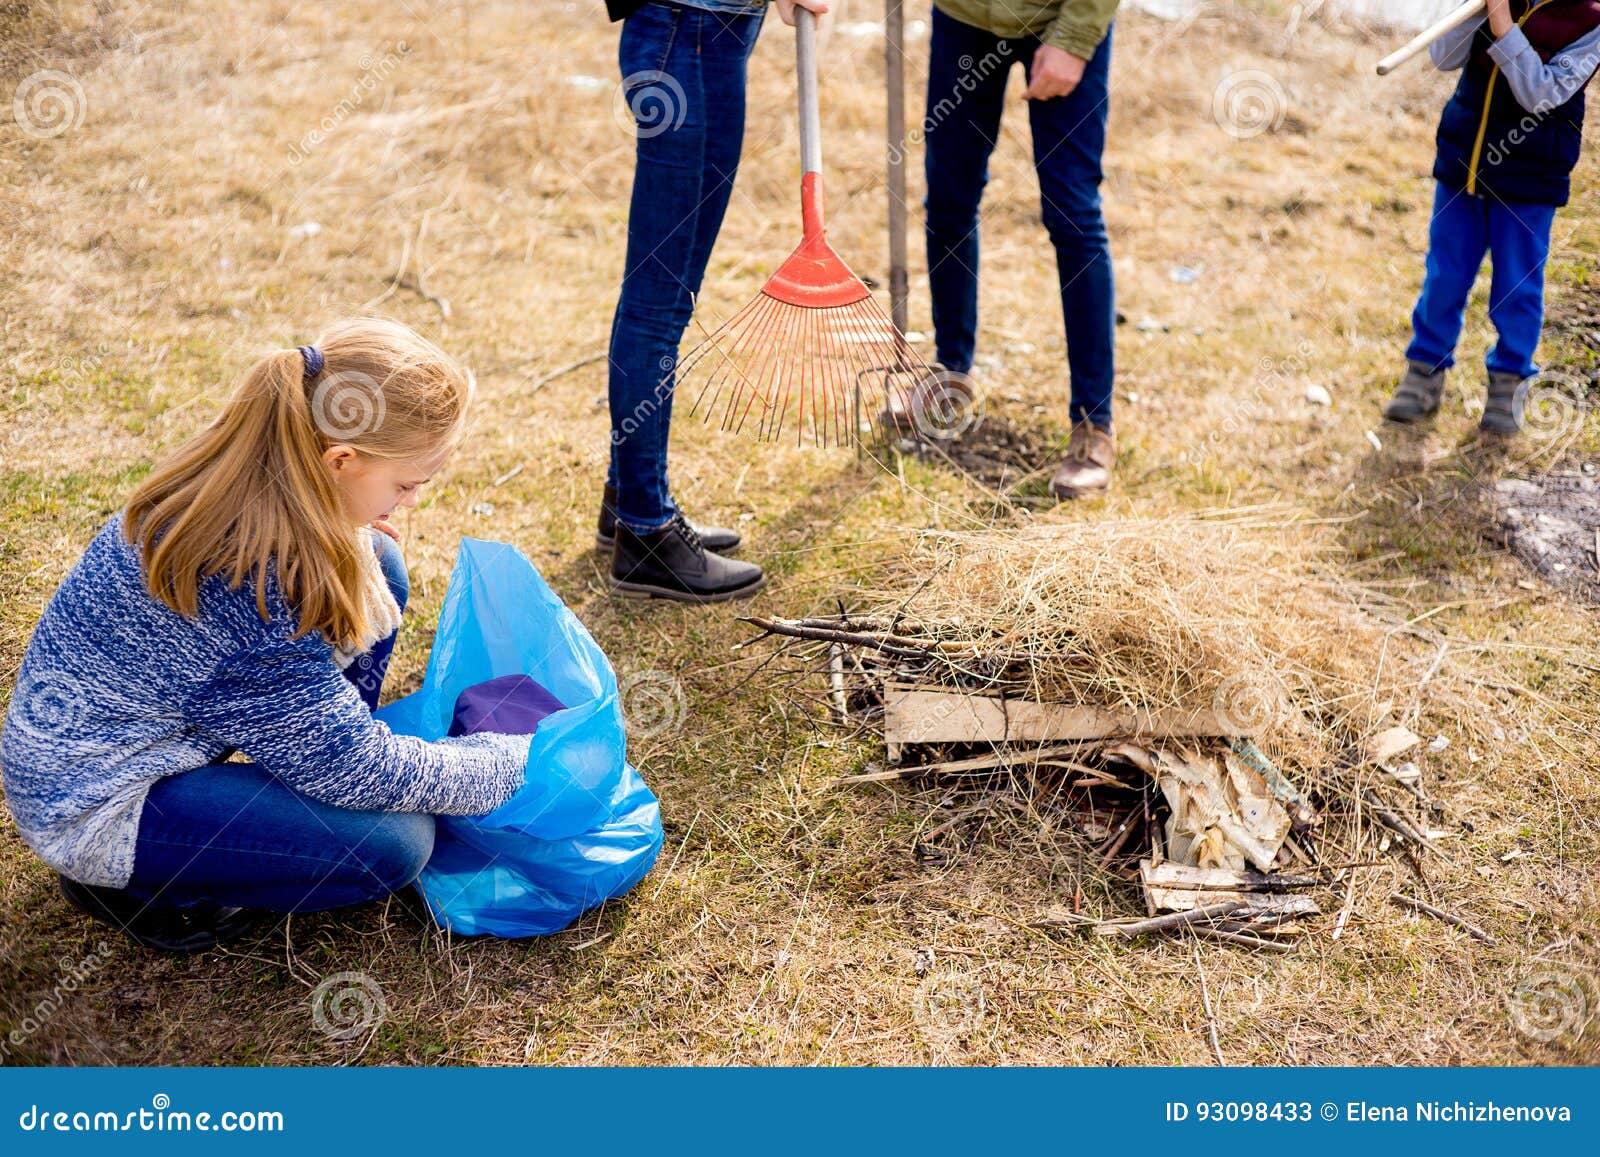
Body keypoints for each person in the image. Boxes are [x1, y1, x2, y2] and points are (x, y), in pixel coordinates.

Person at [0, 318, 531, 953]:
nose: (411, 501)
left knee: (373, 569)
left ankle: (310, 749)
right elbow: (354, 768)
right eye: (405, 485)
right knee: (391, 845)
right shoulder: (255, 587)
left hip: (132, 737)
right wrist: (504, 766)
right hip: (94, 805)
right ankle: (134, 887)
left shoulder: (249, 476)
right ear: (340, 461)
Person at [600, 0, 828, 603]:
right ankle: (646, 534)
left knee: (665, 291)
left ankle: (629, 494)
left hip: (707, 30)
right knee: (660, 299)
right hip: (688, 30)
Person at [884, 0, 1121, 498]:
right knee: (948, 201)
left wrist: (1075, 39)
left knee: (1072, 215)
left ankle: (1093, 425)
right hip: (964, 19)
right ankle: (951, 375)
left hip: (1061, 18)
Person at [1384, 0, 1600, 435]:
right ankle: (1425, 368)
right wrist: (1474, 10)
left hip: (1531, 178)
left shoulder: (1591, 21)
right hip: (1463, 162)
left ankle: (1509, 379)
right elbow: (1443, 57)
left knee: (1516, 286)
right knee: (1445, 275)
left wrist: (1503, 26)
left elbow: (1542, 93)